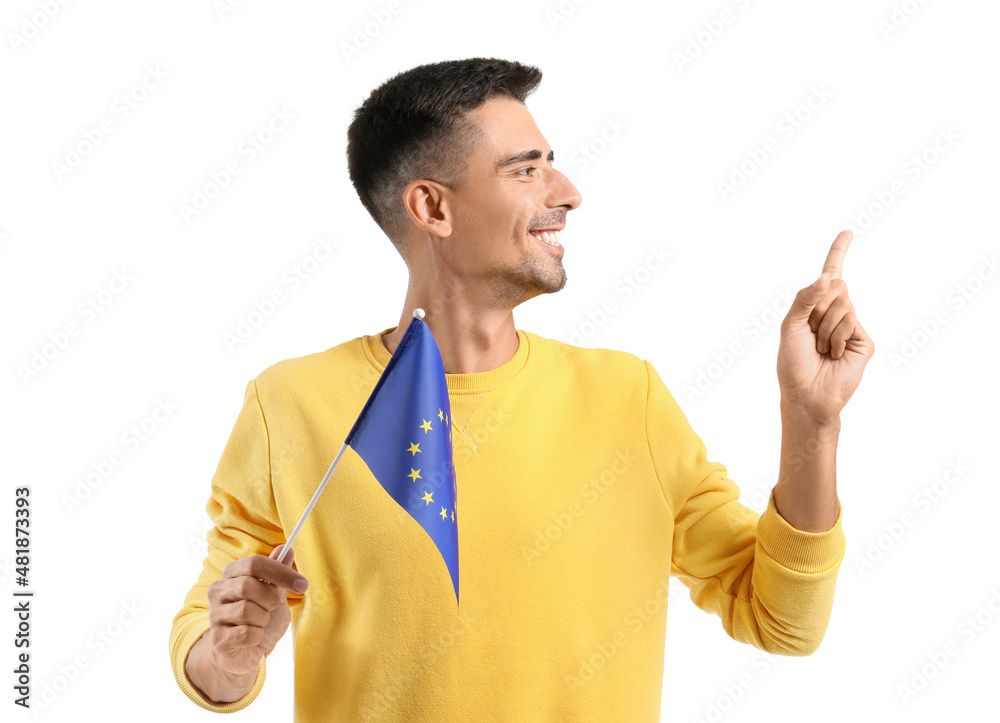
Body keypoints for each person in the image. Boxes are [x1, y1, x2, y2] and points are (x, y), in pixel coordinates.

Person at [169, 57, 874, 721]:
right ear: (433, 209)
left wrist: (811, 421)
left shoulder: (629, 397)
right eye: (527, 169)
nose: (566, 193)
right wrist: (229, 658)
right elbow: (209, 637)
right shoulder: (289, 402)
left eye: (552, 165)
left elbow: (784, 620)